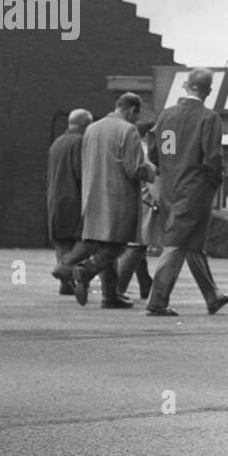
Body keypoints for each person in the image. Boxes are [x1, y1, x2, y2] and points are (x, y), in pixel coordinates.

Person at [53, 92, 152, 309]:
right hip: (118, 197)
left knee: (94, 241)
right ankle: (85, 271)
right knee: (116, 246)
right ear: (132, 110)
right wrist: (154, 171)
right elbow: (134, 168)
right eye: (137, 114)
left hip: (92, 195)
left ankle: (104, 291)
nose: (137, 119)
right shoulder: (128, 130)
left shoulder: (92, 128)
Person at [146, 68, 228, 317]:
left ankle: (212, 296)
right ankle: (157, 300)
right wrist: (213, 181)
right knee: (176, 243)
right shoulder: (209, 118)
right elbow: (212, 156)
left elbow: (158, 152)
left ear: (185, 85)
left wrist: (171, 168)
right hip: (195, 190)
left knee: (191, 243)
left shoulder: (167, 116)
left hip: (170, 187)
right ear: (209, 90)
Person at [46, 109, 92, 296]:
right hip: (73, 199)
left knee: (62, 243)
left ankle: (66, 285)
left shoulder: (57, 143)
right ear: (84, 124)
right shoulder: (79, 142)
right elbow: (82, 173)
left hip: (55, 200)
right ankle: (70, 277)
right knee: (78, 242)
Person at [117, 119, 161, 302]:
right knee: (137, 246)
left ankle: (145, 285)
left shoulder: (134, 149)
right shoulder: (146, 152)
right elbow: (153, 179)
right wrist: (159, 202)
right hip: (146, 202)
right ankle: (116, 289)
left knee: (138, 246)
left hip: (133, 201)